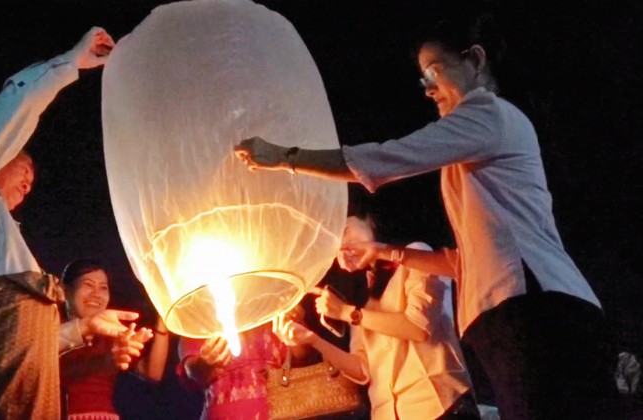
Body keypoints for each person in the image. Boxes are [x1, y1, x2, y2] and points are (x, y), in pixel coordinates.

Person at [234, 11, 616, 419]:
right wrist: (381, 252)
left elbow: (389, 156)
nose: (429, 90)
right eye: (423, 80)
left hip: (537, 309)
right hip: (515, 314)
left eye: (435, 72)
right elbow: (462, 261)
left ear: (475, 59)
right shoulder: (475, 146)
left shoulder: (488, 114)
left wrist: (284, 157)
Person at [0, 27, 148, 419]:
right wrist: (70, 63)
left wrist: (83, 330)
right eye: (24, 167)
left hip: (25, 391)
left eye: (33, 180)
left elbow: (17, 341)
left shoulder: (4, 240)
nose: (28, 183)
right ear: (1, 152)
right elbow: (8, 115)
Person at [276, 210, 478, 420]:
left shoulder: (415, 254)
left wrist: (346, 312)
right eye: (335, 241)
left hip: (438, 404)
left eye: (345, 231)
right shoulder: (364, 292)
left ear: (370, 221)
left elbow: (418, 327)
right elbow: (363, 368)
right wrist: (313, 339)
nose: (342, 245)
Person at [58, 258, 170, 420]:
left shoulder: (111, 336)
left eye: (103, 287)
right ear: (65, 291)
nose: (96, 294)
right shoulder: (49, 331)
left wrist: (164, 316)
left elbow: (152, 373)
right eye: (88, 285)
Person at [177, 319, 304, 420]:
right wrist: (205, 362)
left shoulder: (271, 309)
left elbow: (301, 358)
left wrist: (297, 324)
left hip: (278, 410)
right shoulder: (198, 324)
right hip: (224, 414)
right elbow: (193, 372)